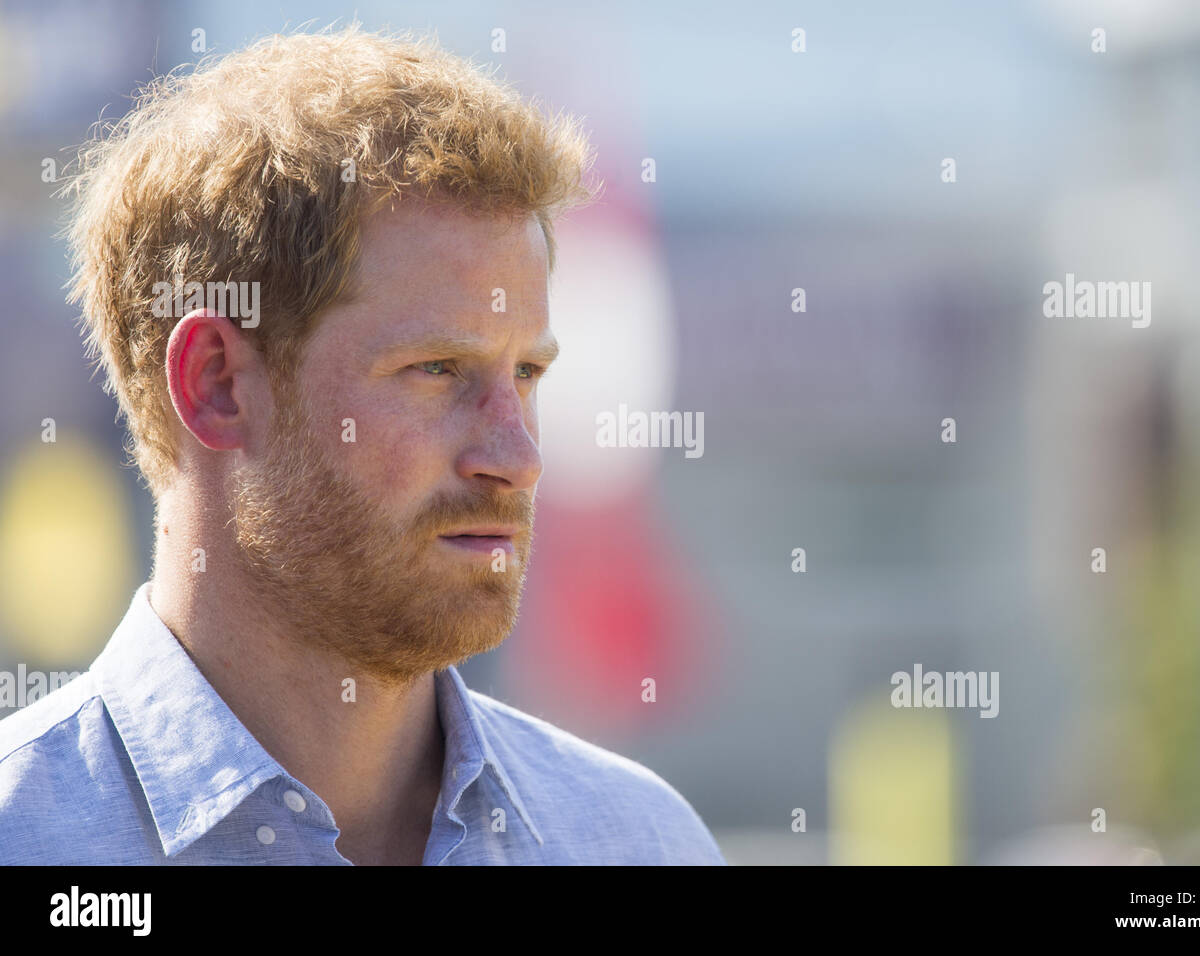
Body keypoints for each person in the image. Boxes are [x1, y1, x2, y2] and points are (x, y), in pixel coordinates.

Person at [0, 24, 725, 866]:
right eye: (438, 370)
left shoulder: (639, 841)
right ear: (217, 385)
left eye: (526, 373)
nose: (517, 456)